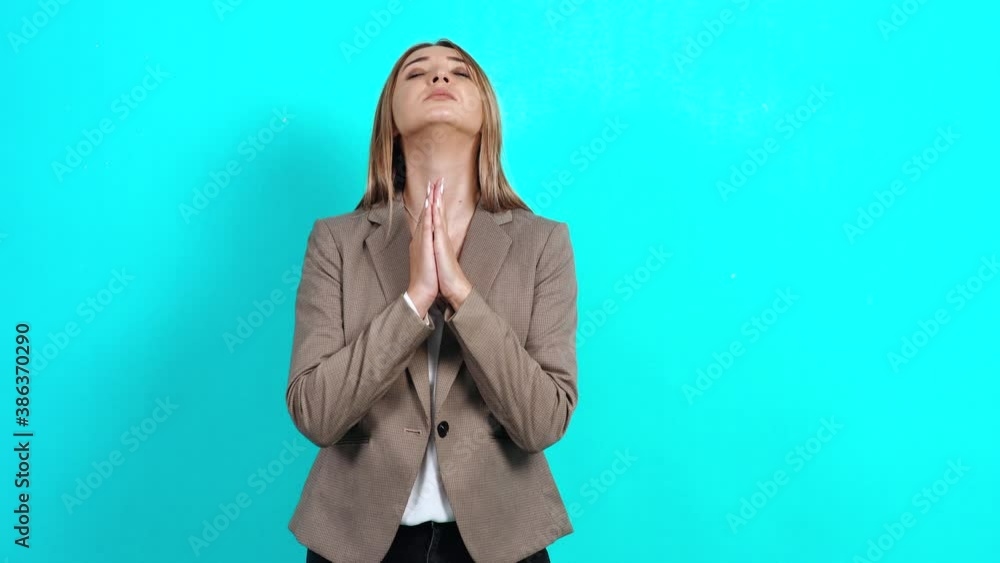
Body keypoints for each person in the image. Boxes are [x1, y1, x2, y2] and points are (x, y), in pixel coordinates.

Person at [286, 39, 578, 562]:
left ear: (486, 113)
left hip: (501, 541)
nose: (439, 79)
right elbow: (316, 415)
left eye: (459, 73)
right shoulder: (334, 241)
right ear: (390, 121)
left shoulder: (544, 243)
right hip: (355, 542)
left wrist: (463, 296)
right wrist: (414, 300)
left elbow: (541, 422)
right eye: (417, 73)